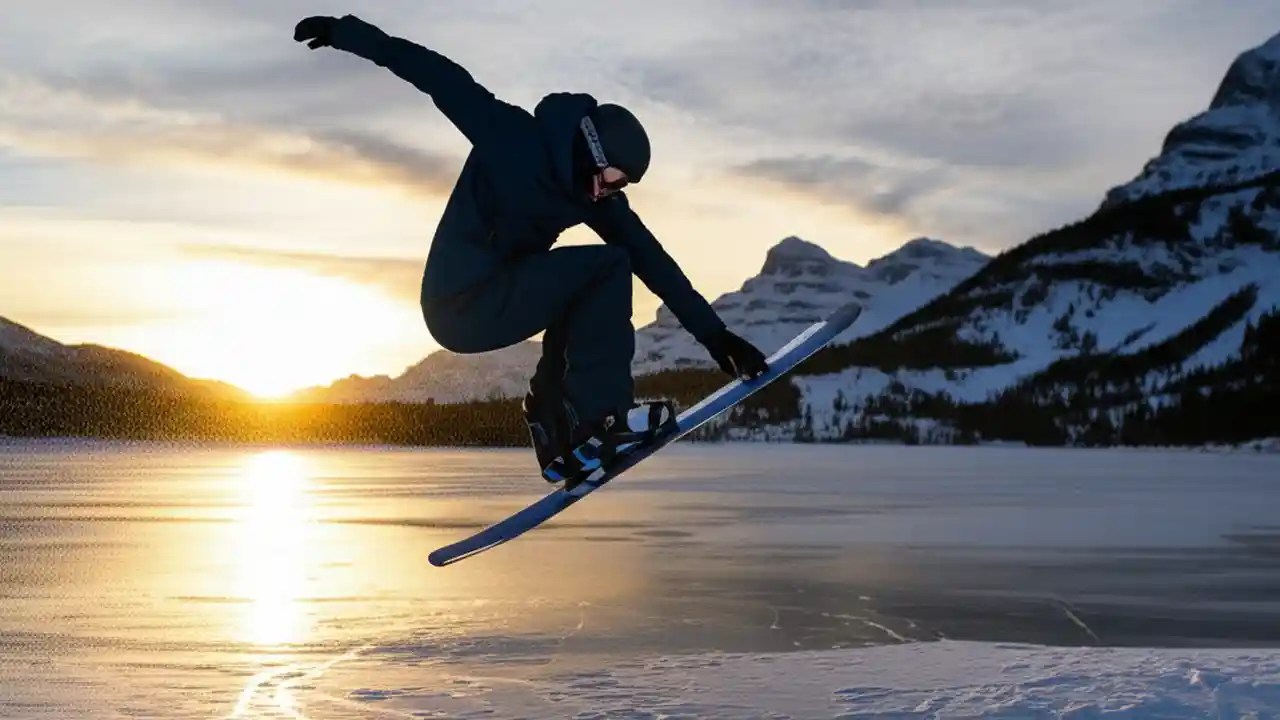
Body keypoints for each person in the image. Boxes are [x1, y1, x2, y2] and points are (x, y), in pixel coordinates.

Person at [294, 14, 769, 487]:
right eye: (613, 179)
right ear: (591, 151)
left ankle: (557, 431)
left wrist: (719, 340)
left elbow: (655, 262)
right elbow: (433, 73)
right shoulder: (510, 135)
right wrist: (345, 34)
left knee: (591, 281)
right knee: (607, 268)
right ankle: (604, 420)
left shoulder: (591, 197)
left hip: (499, 297)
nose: (610, 193)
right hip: (458, 300)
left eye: (622, 186)